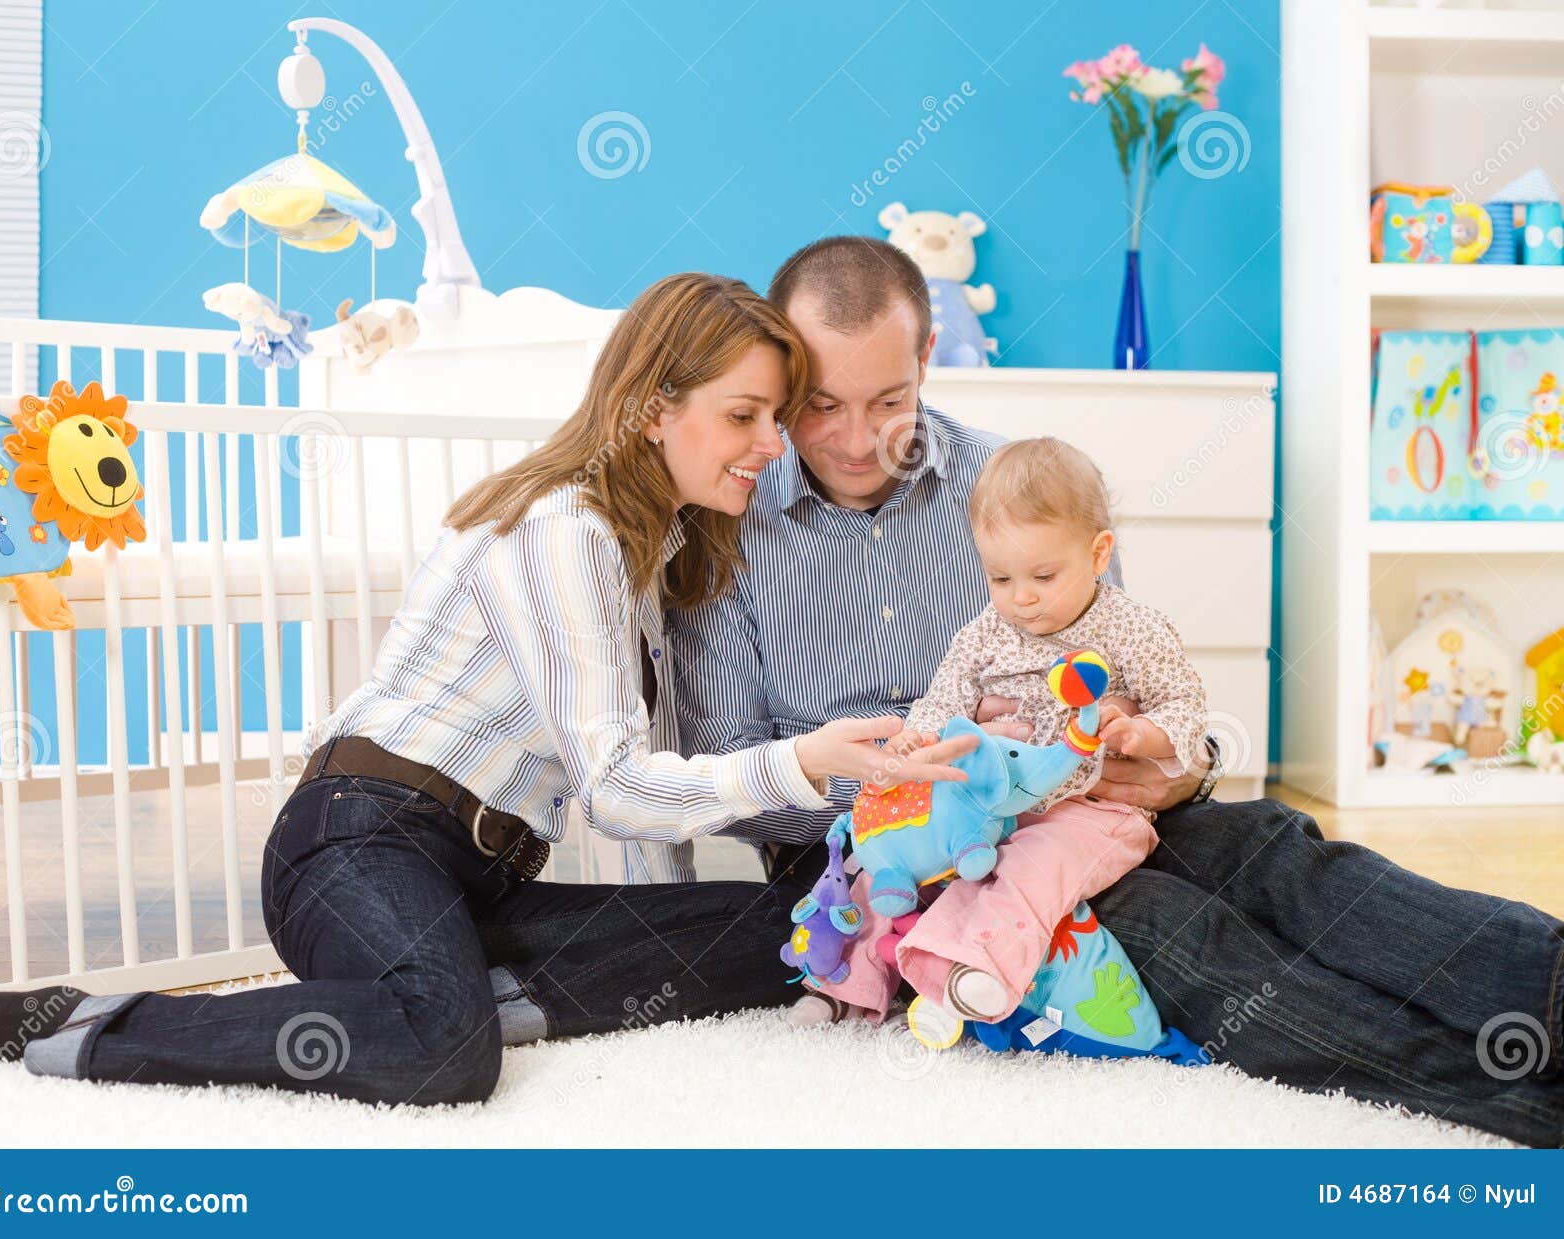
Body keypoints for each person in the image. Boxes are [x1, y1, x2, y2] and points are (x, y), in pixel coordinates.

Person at [0, 272, 976, 1106]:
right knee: (447, 1054)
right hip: (358, 842)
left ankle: (455, 988)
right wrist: (803, 763)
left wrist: (659, 924)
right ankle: (71, 1023)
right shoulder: (564, 528)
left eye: (774, 417)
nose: (773, 444)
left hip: (482, 877)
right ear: (652, 409)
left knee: (790, 932)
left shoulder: (657, 547)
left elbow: (652, 785)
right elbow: (617, 789)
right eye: (744, 416)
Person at [666, 237, 1564, 1146]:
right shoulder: (729, 524)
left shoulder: (1023, 487)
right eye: (822, 405)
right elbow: (726, 778)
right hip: (897, 868)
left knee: (1271, 845)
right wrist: (950, 779)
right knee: (1177, 931)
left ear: (928, 356)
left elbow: (1140, 684)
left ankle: (1553, 990)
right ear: (787, 374)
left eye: (889, 401)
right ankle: (1509, 1090)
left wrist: (1176, 766)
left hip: (1082, 806)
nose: (859, 440)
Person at [796, 436, 1208, 1049]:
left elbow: (1186, 704)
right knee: (887, 861)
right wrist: (917, 739)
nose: (1022, 597)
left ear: (1098, 554)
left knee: (1030, 872)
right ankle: (842, 983)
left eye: (1043, 575)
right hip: (993, 804)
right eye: (1000, 577)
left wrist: (1144, 734)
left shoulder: (1132, 629)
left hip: (1093, 810)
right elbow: (943, 698)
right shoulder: (985, 633)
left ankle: (973, 971)